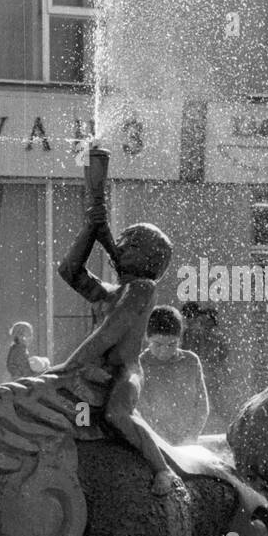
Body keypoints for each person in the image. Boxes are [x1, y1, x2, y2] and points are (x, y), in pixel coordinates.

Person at [58, 207, 180, 495]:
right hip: (97, 370)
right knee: (71, 410)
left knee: (117, 413)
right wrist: (90, 229)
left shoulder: (142, 288)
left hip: (126, 372)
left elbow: (108, 333)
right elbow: (69, 270)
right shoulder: (110, 292)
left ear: (153, 257)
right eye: (121, 240)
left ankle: (162, 469)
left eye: (132, 243)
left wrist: (70, 366)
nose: (121, 245)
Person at [138, 305, 210, 447]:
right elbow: (140, 412)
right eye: (158, 344)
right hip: (153, 444)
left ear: (179, 340)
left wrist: (191, 438)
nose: (165, 351)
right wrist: (160, 441)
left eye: (172, 344)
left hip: (187, 442)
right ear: (147, 338)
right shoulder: (140, 365)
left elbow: (202, 406)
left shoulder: (190, 361)